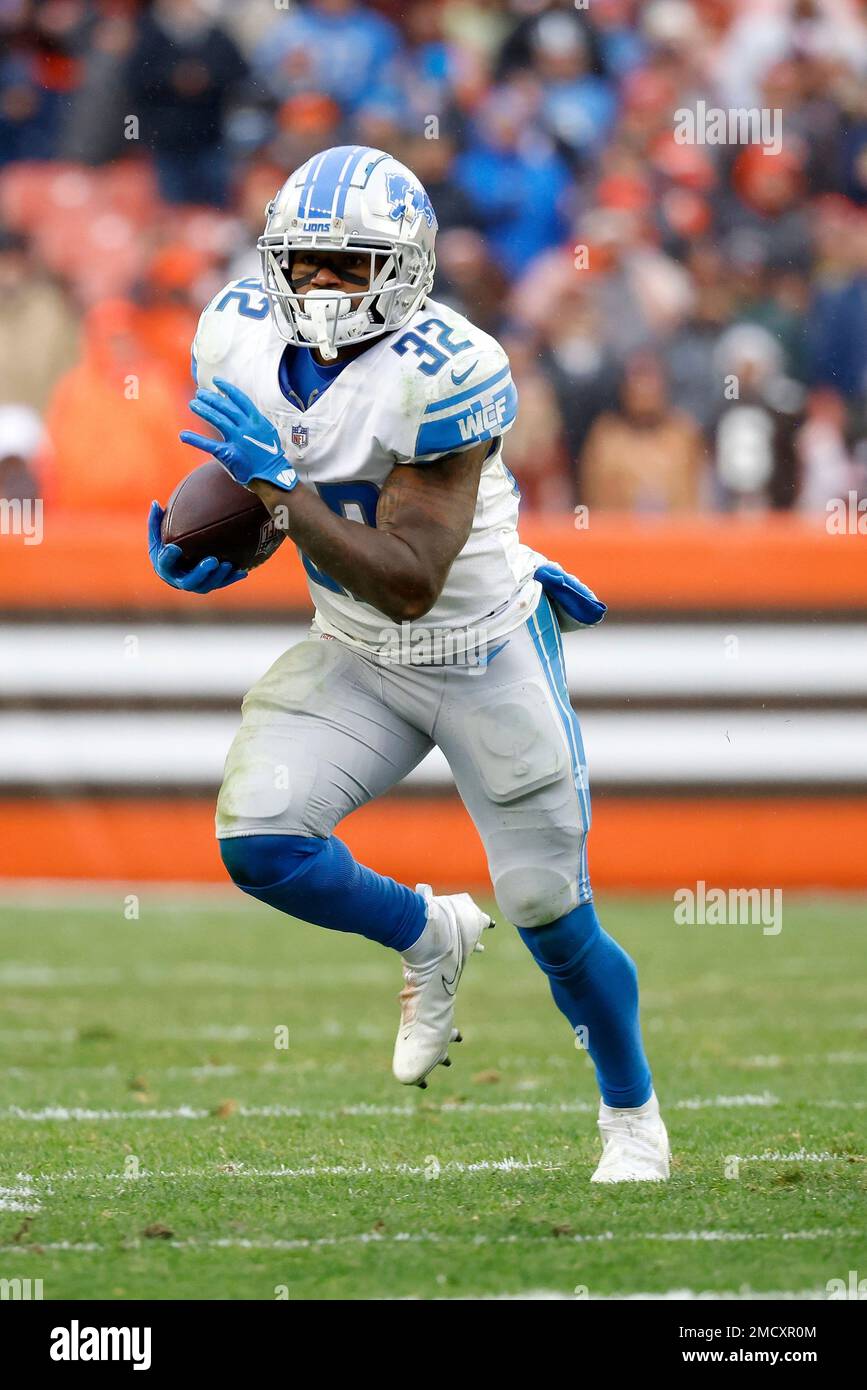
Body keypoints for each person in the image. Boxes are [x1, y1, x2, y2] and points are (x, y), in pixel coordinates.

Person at [147, 145, 670, 1183]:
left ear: (410, 268)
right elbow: (273, 499)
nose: (326, 285)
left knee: (549, 915)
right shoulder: (236, 334)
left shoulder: (449, 367)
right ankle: (427, 931)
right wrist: (224, 537)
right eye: (308, 263)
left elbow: (412, 574)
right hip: (356, 651)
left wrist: (279, 491)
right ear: (273, 265)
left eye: (353, 263)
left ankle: (632, 1116)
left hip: (479, 649)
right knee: (259, 841)